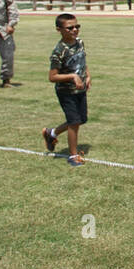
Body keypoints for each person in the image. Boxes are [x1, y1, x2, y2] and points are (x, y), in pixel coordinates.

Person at [43, 13, 90, 167]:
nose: (75, 30)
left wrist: (87, 76)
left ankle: (51, 133)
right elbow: (52, 77)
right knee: (74, 122)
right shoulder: (59, 51)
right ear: (59, 29)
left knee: (81, 119)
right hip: (66, 92)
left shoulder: (79, 43)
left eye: (77, 26)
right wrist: (72, 77)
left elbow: (83, 61)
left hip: (80, 89)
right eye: (70, 28)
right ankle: (73, 155)